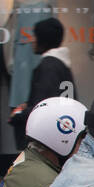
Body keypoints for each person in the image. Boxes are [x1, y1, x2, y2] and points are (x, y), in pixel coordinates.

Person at [9, 17, 76, 147]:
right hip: (62, 135)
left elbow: (44, 107)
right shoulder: (60, 64)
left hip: (48, 141)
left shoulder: (48, 67)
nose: (32, 40)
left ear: (44, 39)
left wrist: (18, 115)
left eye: (35, 35)